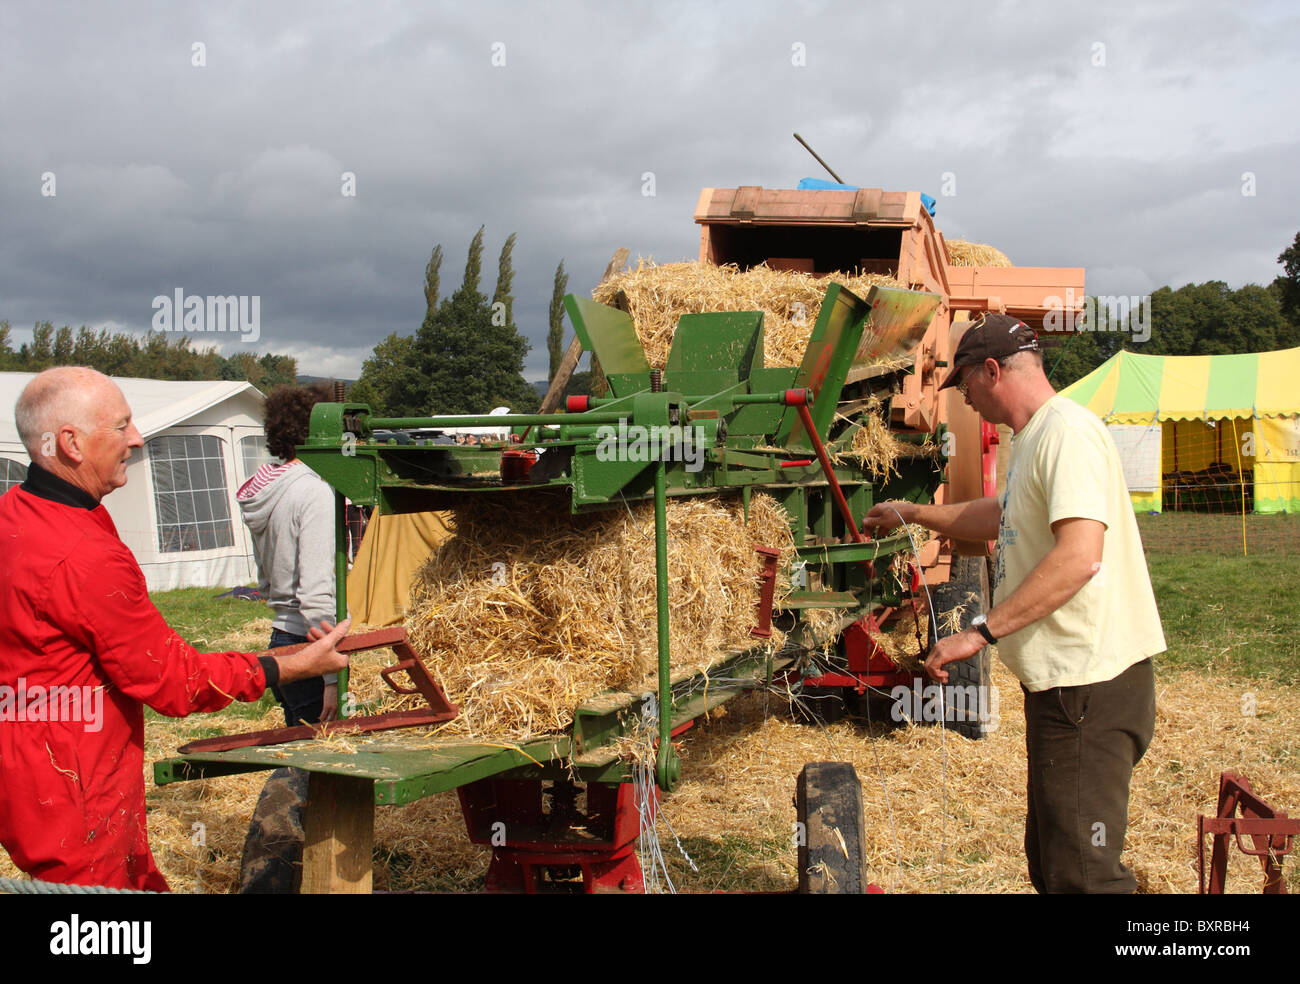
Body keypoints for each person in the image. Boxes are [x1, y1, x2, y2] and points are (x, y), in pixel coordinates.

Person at [0, 367, 350, 891]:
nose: (137, 439)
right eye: (122, 427)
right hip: (76, 786)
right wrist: (298, 663)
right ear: (70, 443)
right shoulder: (81, 553)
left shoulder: (16, 514)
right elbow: (175, 681)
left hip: (32, 762)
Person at [863, 313, 1165, 894]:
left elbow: (1080, 557)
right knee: (1053, 861)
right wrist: (919, 513)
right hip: (1064, 687)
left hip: (1090, 686)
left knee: (1083, 875)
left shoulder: (1067, 434)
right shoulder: (1036, 437)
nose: (966, 399)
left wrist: (978, 632)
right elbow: (1005, 514)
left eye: (967, 385)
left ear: (993, 370)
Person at [238, 383, 340, 726]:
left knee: (300, 750)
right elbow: (314, 595)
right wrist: (331, 678)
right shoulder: (314, 491)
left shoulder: (271, 489)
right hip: (308, 646)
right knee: (321, 766)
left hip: (281, 639)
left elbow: (265, 580)